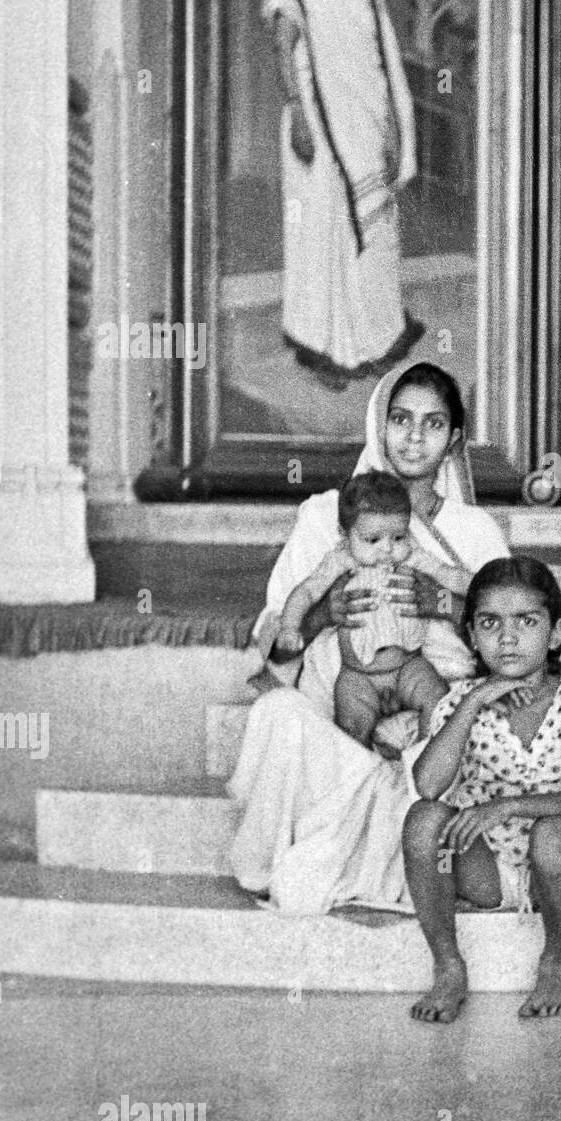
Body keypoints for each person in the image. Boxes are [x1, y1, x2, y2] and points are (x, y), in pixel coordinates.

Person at [228, 363, 510, 915]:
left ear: (453, 441)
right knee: (275, 717)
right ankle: (301, 851)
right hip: (341, 721)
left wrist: (445, 607)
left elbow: (511, 644)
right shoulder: (322, 518)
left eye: (432, 424)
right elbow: (275, 645)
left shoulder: (477, 531)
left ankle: (384, 836)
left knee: (438, 755)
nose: (413, 436)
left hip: (435, 731)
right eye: (400, 419)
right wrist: (321, 617)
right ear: (378, 426)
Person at [404, 558, 561, 1024]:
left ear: (557, 633)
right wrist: (475, 700)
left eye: (527, 621)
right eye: (489, 623)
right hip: (488, 867)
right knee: (423, 818)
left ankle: (556, 960)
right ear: (472, 636)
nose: (507, 638)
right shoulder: (459, 700)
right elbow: (427, 785)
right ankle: (448, 966)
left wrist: (505, 807)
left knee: (554, 833)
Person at [262, 0, 421, 388]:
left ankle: (373, 340)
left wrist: (393, 127)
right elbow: (285, 51)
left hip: (366, 133)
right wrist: (299, 115)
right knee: (325, 239)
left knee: (374, 239)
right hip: (320, 133)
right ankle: (324, 351)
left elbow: (381, 70)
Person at [274, 471, 467, 755]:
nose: (387, 549)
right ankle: (361, 778)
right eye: (373, 540)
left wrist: (479, 583)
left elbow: (449, 576)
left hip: (408, 666)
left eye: (398, 536)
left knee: (437, 700)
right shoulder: (340, 560)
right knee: (352, 730)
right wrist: (290, 627)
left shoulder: (411, 556)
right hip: (358, 675)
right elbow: (307, 592)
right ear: (345, 534)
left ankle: (424, 763)